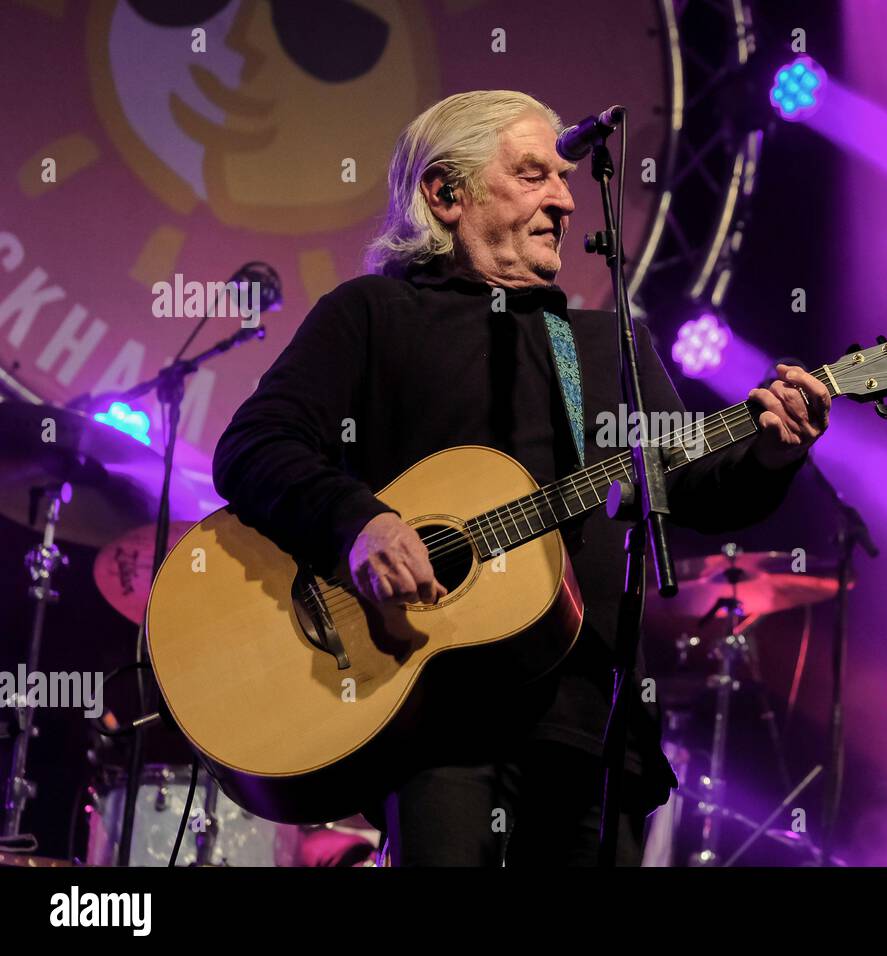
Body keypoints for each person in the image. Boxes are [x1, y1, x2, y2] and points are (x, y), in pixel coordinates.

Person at [212, 90, 830, 866]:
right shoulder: (373, 315)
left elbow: (704, 488)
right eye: (533, 174)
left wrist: (773, 451)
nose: (567, 200)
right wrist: (359, 523)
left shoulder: (607, 345)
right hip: (435, 724)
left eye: (566, 178)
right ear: (445, 193)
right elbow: (253, 444)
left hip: (591, 727)